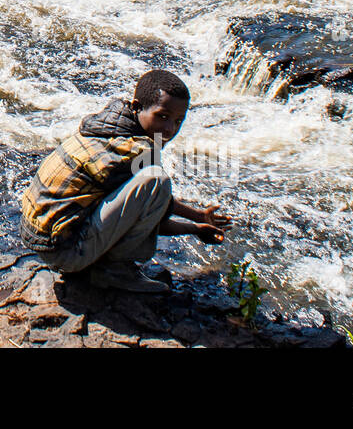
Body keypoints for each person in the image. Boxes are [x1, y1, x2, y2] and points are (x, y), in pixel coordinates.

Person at [18, 69, 230, 292]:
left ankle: (102, 264)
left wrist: (197, 216)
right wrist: (195, 228)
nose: (170, 129)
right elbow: (154, 218)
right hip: (64, 253)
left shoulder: (108, 127)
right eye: (163, 116)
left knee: (152, 184)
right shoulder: (137, 151)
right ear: (138, 107)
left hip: (39, 237)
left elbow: (143, 202)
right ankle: (113, 271)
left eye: (178, 121)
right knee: (157, 180)